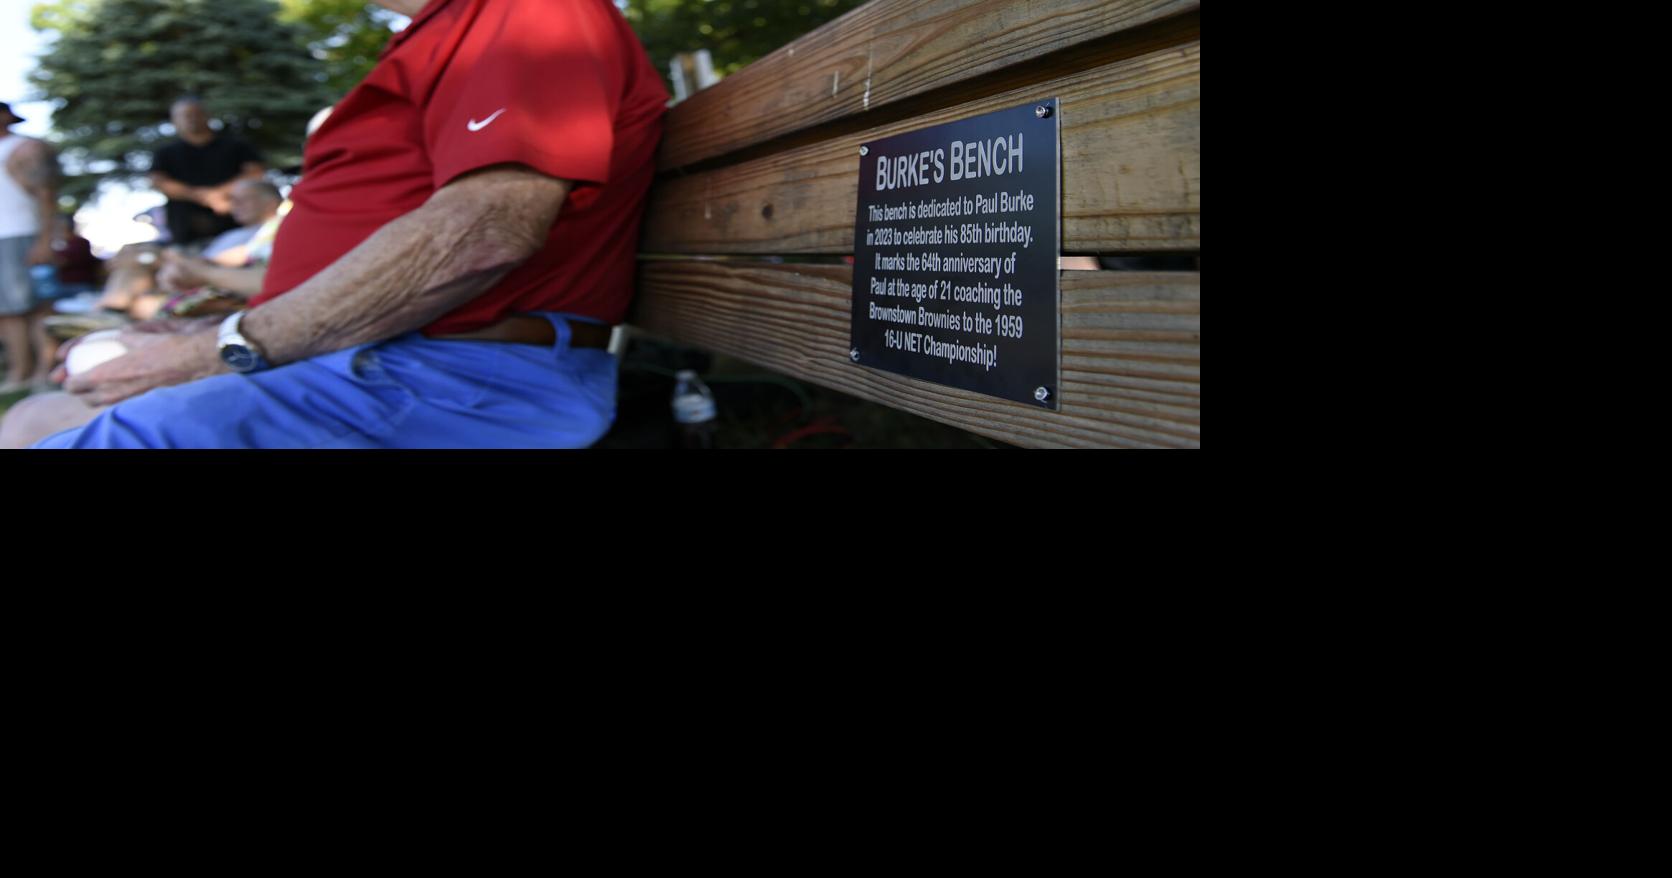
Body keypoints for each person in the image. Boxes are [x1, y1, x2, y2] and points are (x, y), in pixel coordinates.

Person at [7, 0, 668, 449]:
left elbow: (485, 230)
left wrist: (222, 348)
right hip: (381, 354)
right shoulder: (445, 31)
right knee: (36, 416)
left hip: (457, 373)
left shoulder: (521, 11)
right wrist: (213, 330)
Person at [94, 178, 284, 320]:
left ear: (271, 202)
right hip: (193, 276)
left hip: (213, 283)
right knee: (134, 263)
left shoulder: (273, 230)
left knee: (140, 270)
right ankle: (107, 312)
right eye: (233, 200)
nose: (235, 205)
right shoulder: (232, 234)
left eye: (244, 199)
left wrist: (159, 257)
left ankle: (107, 313)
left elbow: (219, 262)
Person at [0, 101, 61, 395]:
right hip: (4, 238)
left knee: (39, 307)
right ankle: (19, 371)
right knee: (8, 312)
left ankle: (45, 371)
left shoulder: (25, 148)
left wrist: (45, 240)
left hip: (23, 233)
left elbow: (46, 194)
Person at [148, 97, 266, 249]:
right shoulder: (165, 152)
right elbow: (158, 182)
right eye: (184, 115)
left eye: (194, 114)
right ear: (174, 120)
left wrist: (219, 193)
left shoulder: (236, 145)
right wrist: (203, 196)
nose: (190, 119)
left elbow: (255, 173)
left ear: (206, 115)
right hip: (186, 232)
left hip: (237, 228)